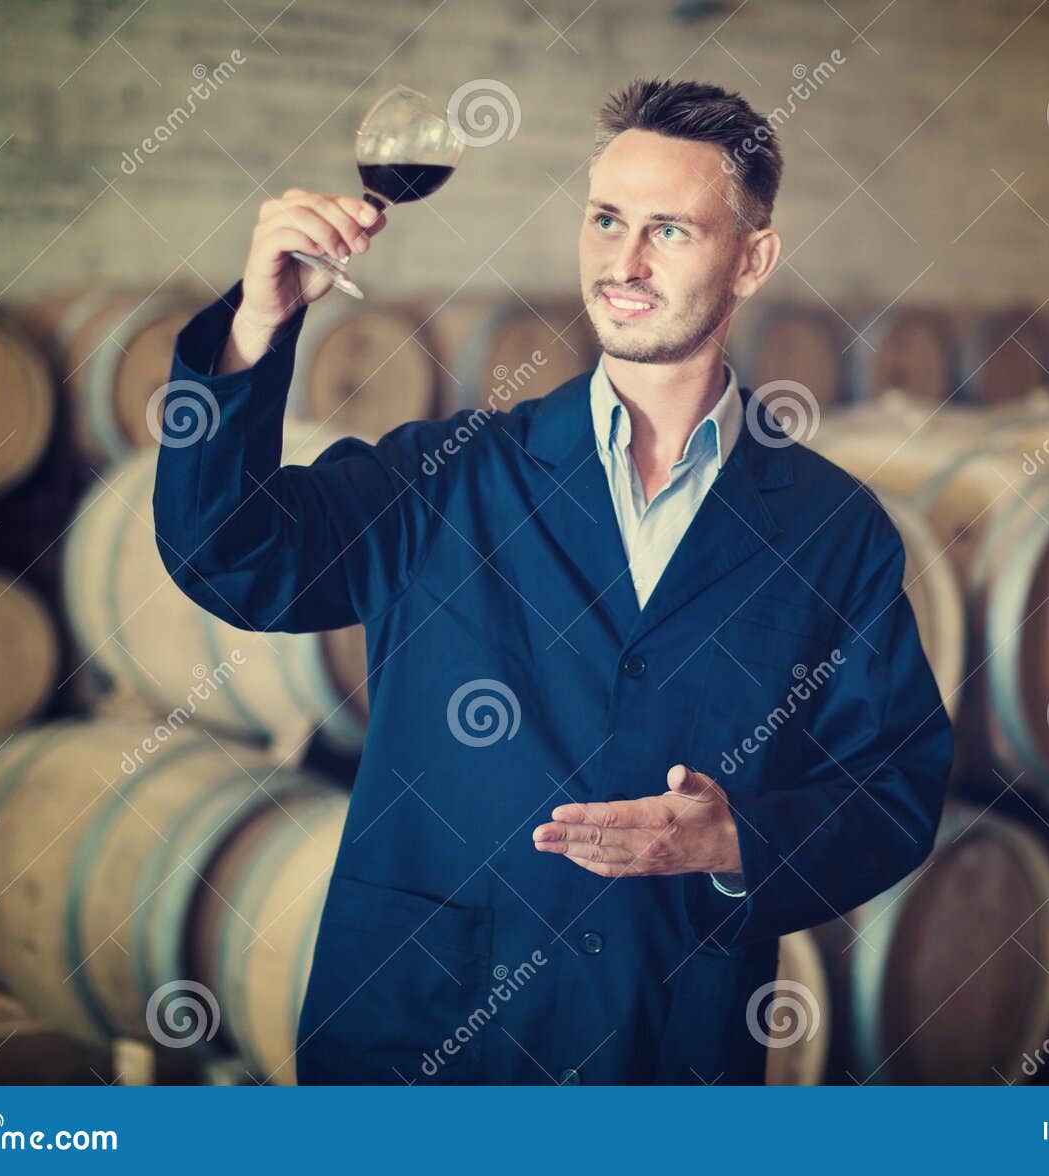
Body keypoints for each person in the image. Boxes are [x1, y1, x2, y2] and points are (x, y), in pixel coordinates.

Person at [154, 77, 953, 1085]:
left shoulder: (832, 530)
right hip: (424, 1044)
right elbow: (228, 556)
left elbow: (894, 786)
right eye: (607, 219)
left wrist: (739, 839)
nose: (622, 261)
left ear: (751, 259)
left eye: (668, 230)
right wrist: (255, 329)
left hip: (664, 1051)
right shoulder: (448, 477)